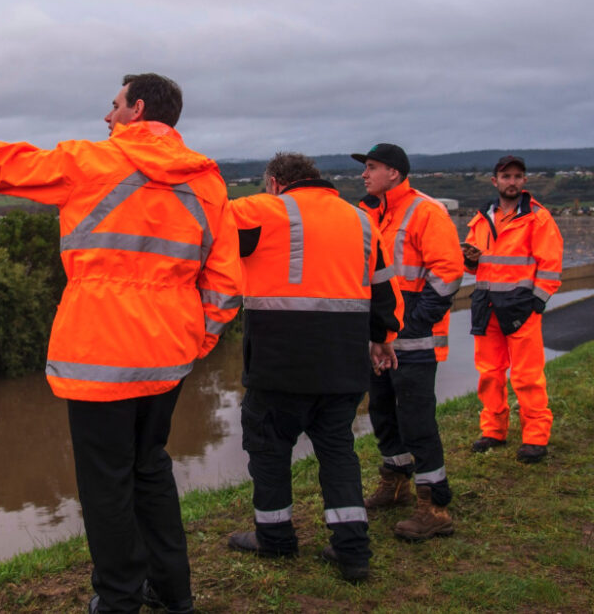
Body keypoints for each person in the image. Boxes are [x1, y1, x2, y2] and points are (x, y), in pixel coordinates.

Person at [0, 73, 242, 614]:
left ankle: (119, 599)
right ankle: (174, 593)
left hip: (99, 354)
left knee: (106, 485)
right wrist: (195, 342)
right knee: (150, 468)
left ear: (137, 108)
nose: (106, 115)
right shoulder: (208, 183)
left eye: (114, 105)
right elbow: (225, 284)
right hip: (168, 355)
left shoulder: (90, 162)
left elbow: (6, 164)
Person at [227, 153, 403, 582]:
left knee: (269, 450)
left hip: (278, 362)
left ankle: (276, 539)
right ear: (317, 179)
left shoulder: (258, 210)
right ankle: (352, 552)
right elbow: (381, 291)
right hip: (343, 362)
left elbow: (207, 245)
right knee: (338, 453)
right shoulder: (361, 221)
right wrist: (382, 339)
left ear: (274, 182)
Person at [352, 143, 464, 540]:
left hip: (413, 342)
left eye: (371, 167)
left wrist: (412, 324)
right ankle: (396, 481)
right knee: (383, 414)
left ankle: (434, 507)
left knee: (417, 422)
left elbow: (448, 273)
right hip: (377, 340)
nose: (364, 175)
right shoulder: (365, 213)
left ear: (394, 173)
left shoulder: (425, 211)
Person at [462, 155, 563, 463]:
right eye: (506, 176)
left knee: (527, 375)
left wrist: (537, 301)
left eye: (518, 176)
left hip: (521, 309)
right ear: (495, 181)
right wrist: (469, 258)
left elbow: (551, 266)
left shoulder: (538, 218)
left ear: (524, 181)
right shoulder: (481, 219)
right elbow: (471, 265)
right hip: (486, 306)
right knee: (489, 373)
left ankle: (535, 438)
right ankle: (493, 431)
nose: (512, 181)